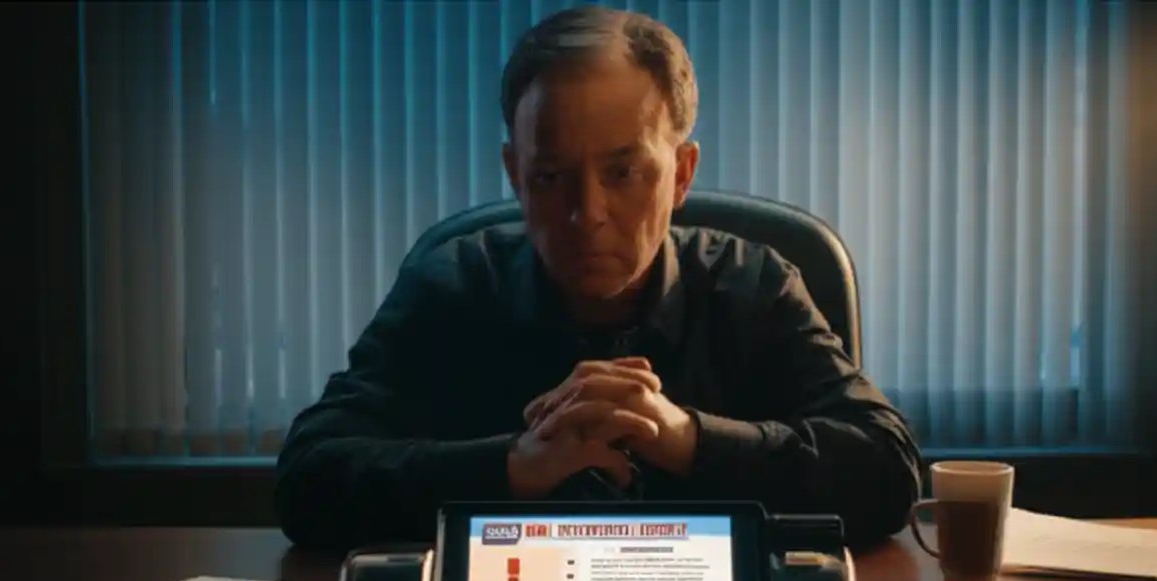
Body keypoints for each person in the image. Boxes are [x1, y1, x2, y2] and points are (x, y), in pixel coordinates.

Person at [275, 5, 922, 551]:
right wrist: (508, 467)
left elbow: (889, 472)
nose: (588, 216)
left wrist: (687, 438)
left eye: (623, 173)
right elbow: (306, 479)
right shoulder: (452, 285)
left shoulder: (753, 287)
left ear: (682, 174)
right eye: (552, 177)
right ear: (514, 173)